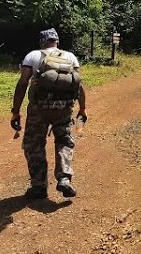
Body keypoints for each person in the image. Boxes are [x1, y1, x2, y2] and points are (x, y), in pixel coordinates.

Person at [11, 28, 87, 200]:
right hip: (64, 109)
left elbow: (22, 84)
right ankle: (64, 178)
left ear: (42, 42)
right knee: (64, 141)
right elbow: (79, 85)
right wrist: (82, 108)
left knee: (34, 144)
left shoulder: (33, 56)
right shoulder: (70, 57)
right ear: (56, 41)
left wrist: (15, 111)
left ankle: (39, 186)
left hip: (39, 109)